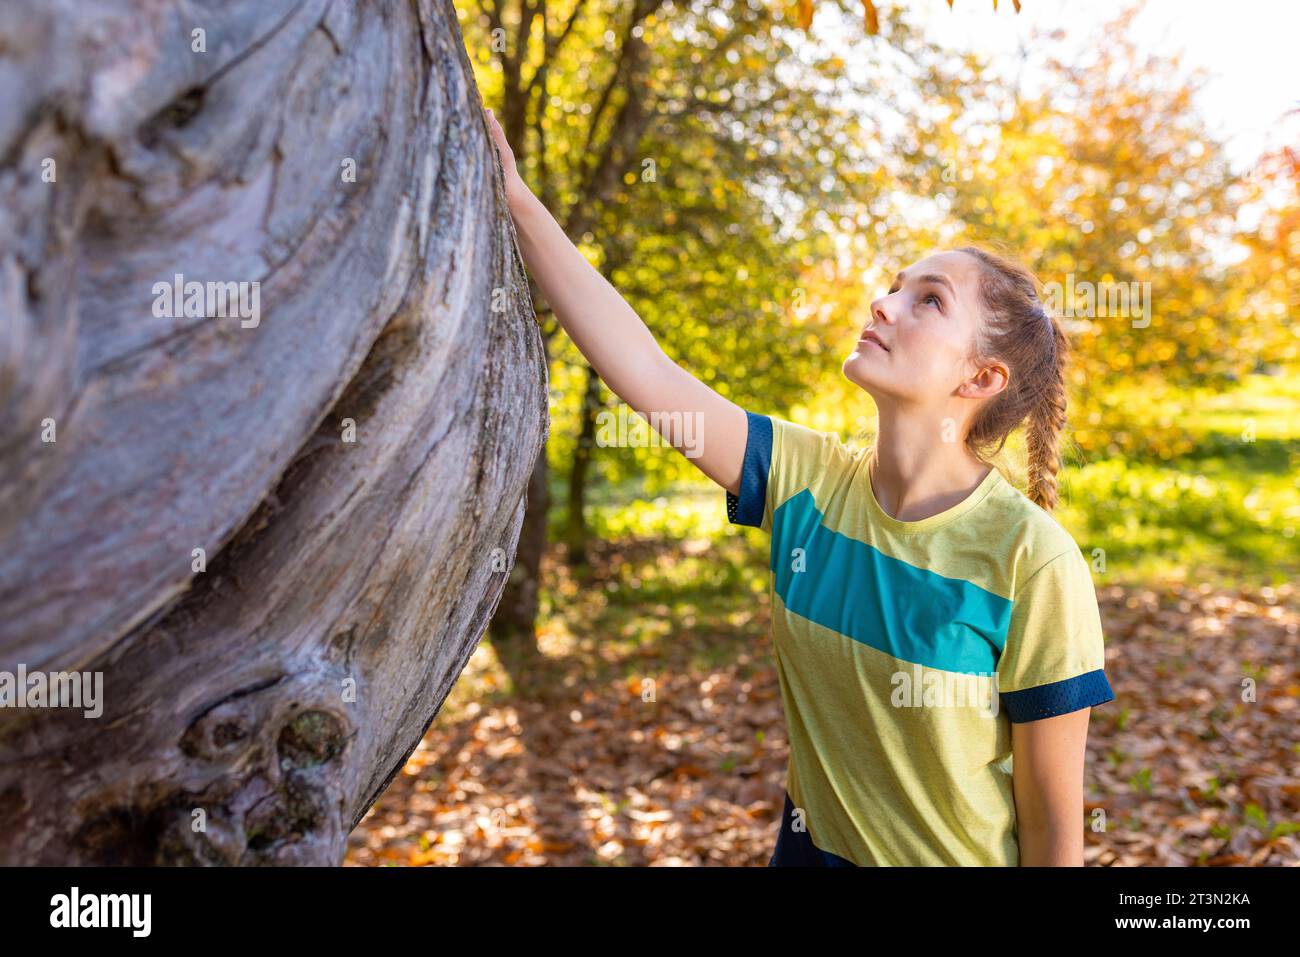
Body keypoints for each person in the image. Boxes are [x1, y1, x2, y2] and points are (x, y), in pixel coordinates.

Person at [485, 106, 1115, 866]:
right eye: (893, 287)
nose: (882, 304)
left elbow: (1053, 834)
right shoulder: (804, 480)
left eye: (929, 301)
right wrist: (515, 197)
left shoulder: (1033, 561)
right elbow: (646, 372)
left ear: (981, 377)